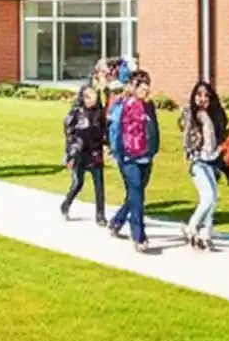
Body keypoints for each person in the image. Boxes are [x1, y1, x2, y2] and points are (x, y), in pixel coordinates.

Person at [107, 69, 160, 254]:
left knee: (134, 195)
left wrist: (154, 149)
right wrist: (114, 150)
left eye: (147, 84)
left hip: (146, 156)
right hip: (128, 157)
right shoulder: (122, 105)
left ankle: (116, 222)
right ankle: (139, 235)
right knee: (137, 193)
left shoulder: (149, 106)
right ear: (133, 86)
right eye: (141, 85)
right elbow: (113, 130)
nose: (145, 89)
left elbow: (154, 128)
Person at [181, 81, 227, 251]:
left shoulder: (215, 115)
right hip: (198, 162)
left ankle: (205, 233)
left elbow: (219, 139)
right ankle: (191, 227)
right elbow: (185, 129)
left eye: (206, 95)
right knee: (207, 197)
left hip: (212, 161)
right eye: (198, 95)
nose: (202, 99)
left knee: (213, 199)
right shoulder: (192, 115)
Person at [60, 84, 108, 225]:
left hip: (95, 153)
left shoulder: (100, 113)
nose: (90, 100)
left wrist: (106, 146)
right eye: (87, 97)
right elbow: (69, 134)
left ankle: (100, 216)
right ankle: (66, 203)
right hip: (79, 153)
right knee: (78, 183)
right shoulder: (76, 112)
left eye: (92, 96)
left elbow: (104, 132)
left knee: (99, 186)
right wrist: (70, 154)